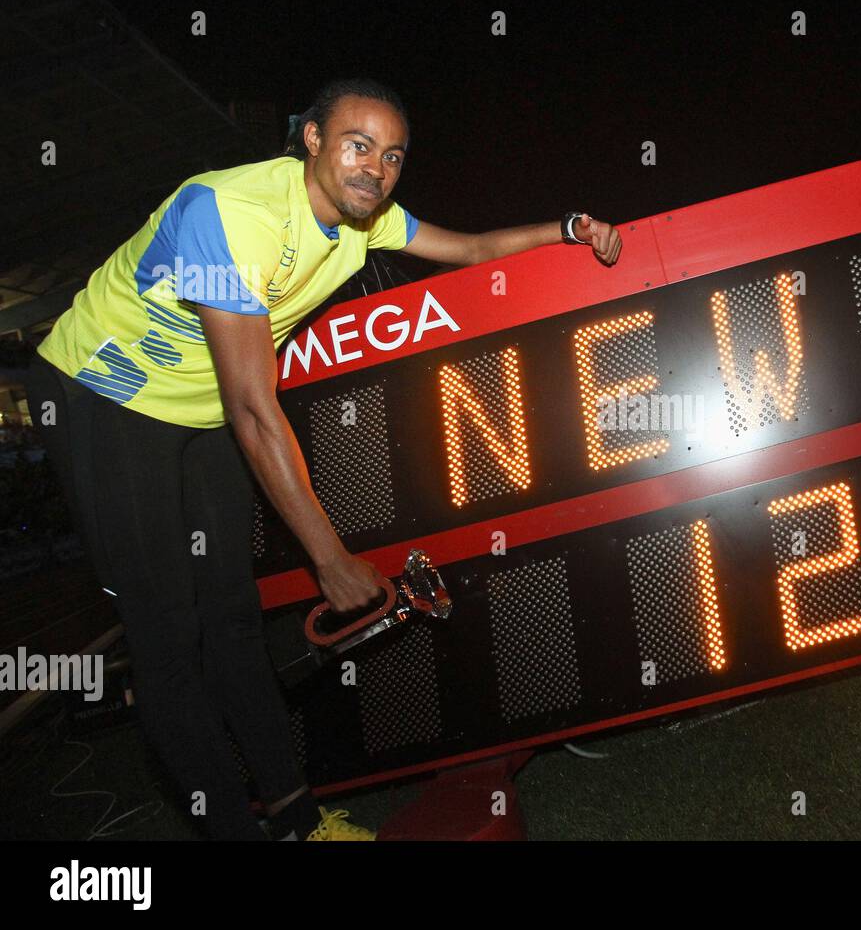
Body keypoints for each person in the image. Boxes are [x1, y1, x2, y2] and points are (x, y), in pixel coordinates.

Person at [25, 78, 623, 840]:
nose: (376, 167)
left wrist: (569, 229)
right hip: (105, 397)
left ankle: (299, 821)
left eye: (393, 155)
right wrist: (329, 558)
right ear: (311, 139)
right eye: (358, 144)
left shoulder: (361, 223)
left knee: (234, 620)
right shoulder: (231, 212)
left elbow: (470, 249)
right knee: (168, 634)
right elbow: (253, 407)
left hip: (199, 406)